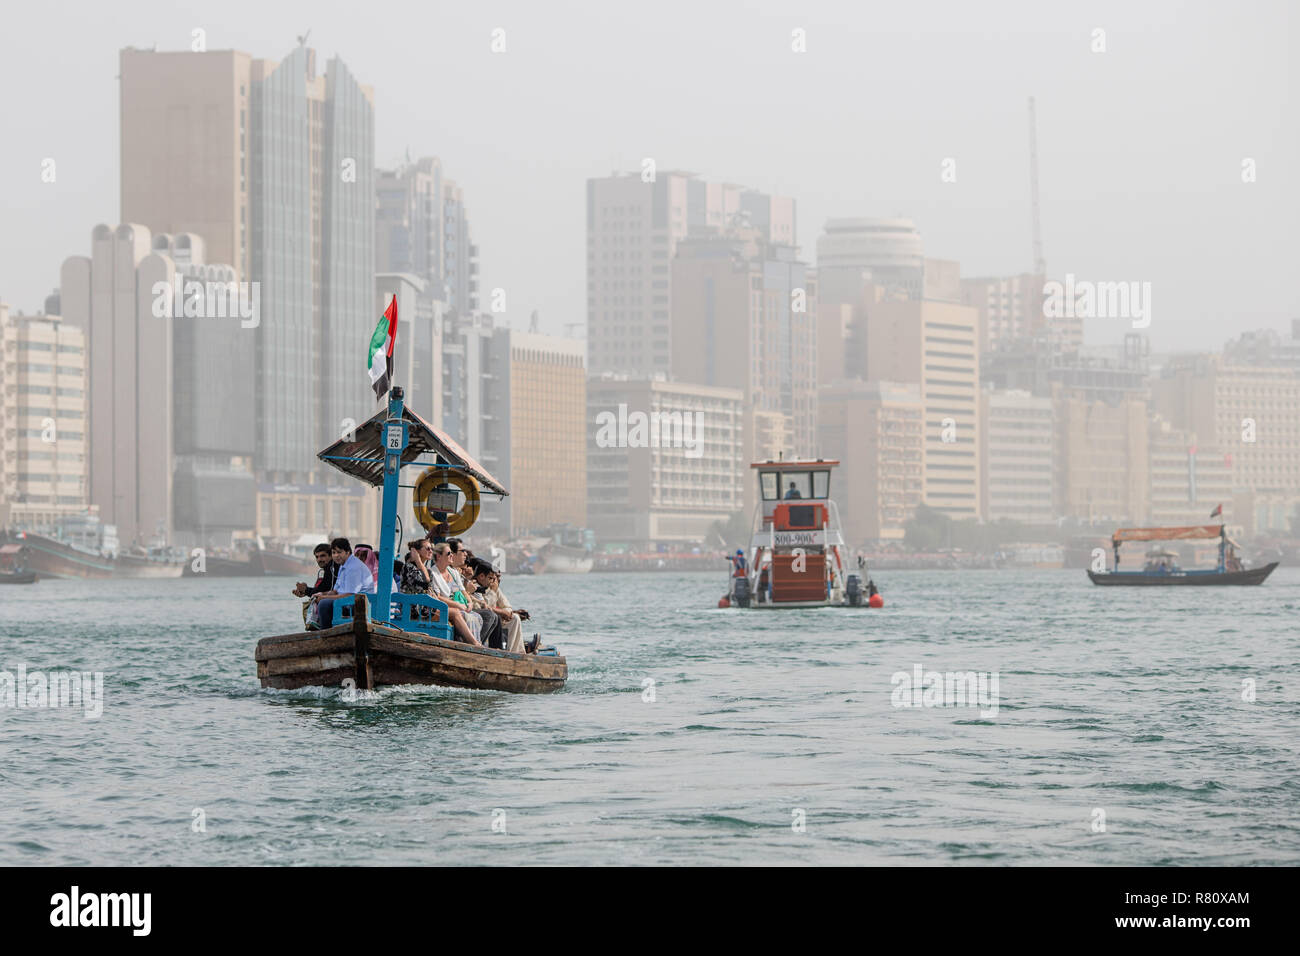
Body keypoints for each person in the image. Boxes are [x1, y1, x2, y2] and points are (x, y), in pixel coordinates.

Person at [308, 538, 375, 630]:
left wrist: (325, 598)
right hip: (348, 601)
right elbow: (336, 591)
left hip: (359, 605)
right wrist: (322, 594)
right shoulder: (343, 565)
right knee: (318, 600)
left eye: (339, 552)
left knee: (324, 604)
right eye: (334, 552)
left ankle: (326, 634)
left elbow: (350, 595)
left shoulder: (354, 567)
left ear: (347, 552)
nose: (336, 556)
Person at [426, 542, 484, 646]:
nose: (452, 555)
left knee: (477, 616)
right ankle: (473, 644)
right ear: (439, 556)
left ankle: (476, 643)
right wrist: (457, 605)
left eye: (452, 553)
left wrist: (470, 602)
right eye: (449, 553)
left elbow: (462, 591)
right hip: (447, 607)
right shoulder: (433, 573)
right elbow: (438, 597)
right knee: (463, 615)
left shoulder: (453, 572)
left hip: (461, 605)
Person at [475, 563, 532, 654]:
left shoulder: (493, 587)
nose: (496, 580)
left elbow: (508, 608)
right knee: (502, 617)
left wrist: (505, 613)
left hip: (497, 619)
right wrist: (501, 612)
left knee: (515, 618)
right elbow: (484, 608)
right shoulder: (478, 587)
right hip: (485, 619)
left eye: (497, 577)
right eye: (493, 577)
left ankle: (516, 652)